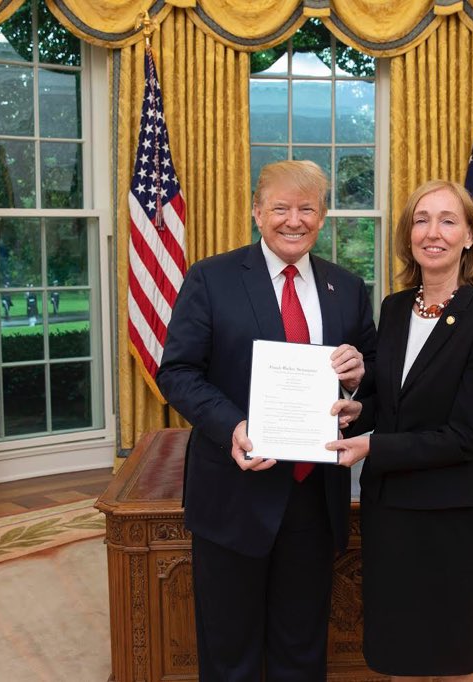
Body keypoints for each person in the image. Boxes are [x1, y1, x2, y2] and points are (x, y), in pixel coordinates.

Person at [156, 160, 377, 681]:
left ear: (322, 217)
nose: (293, 220)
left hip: (314, 495)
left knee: (302, 648)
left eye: (307, 209)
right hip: (235, 490)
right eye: (280, 208)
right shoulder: (211, 278)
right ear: (258, 212)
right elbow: (179, 372)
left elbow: (370, 375)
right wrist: (232, 425)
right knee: (230, 651)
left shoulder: (345, 287)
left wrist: (357, 378)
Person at [328, 179, 473, 681]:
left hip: (445, 517)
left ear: (470, 238)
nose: (433, 232)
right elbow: (388, 401)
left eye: (448, 220)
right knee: (398, 657)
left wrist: (372, 445)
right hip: (390, 514)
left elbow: (466, 437)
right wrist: (354, 411)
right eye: (422, 219)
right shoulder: (393, 308)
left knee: (452, 661)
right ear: (409, 233)